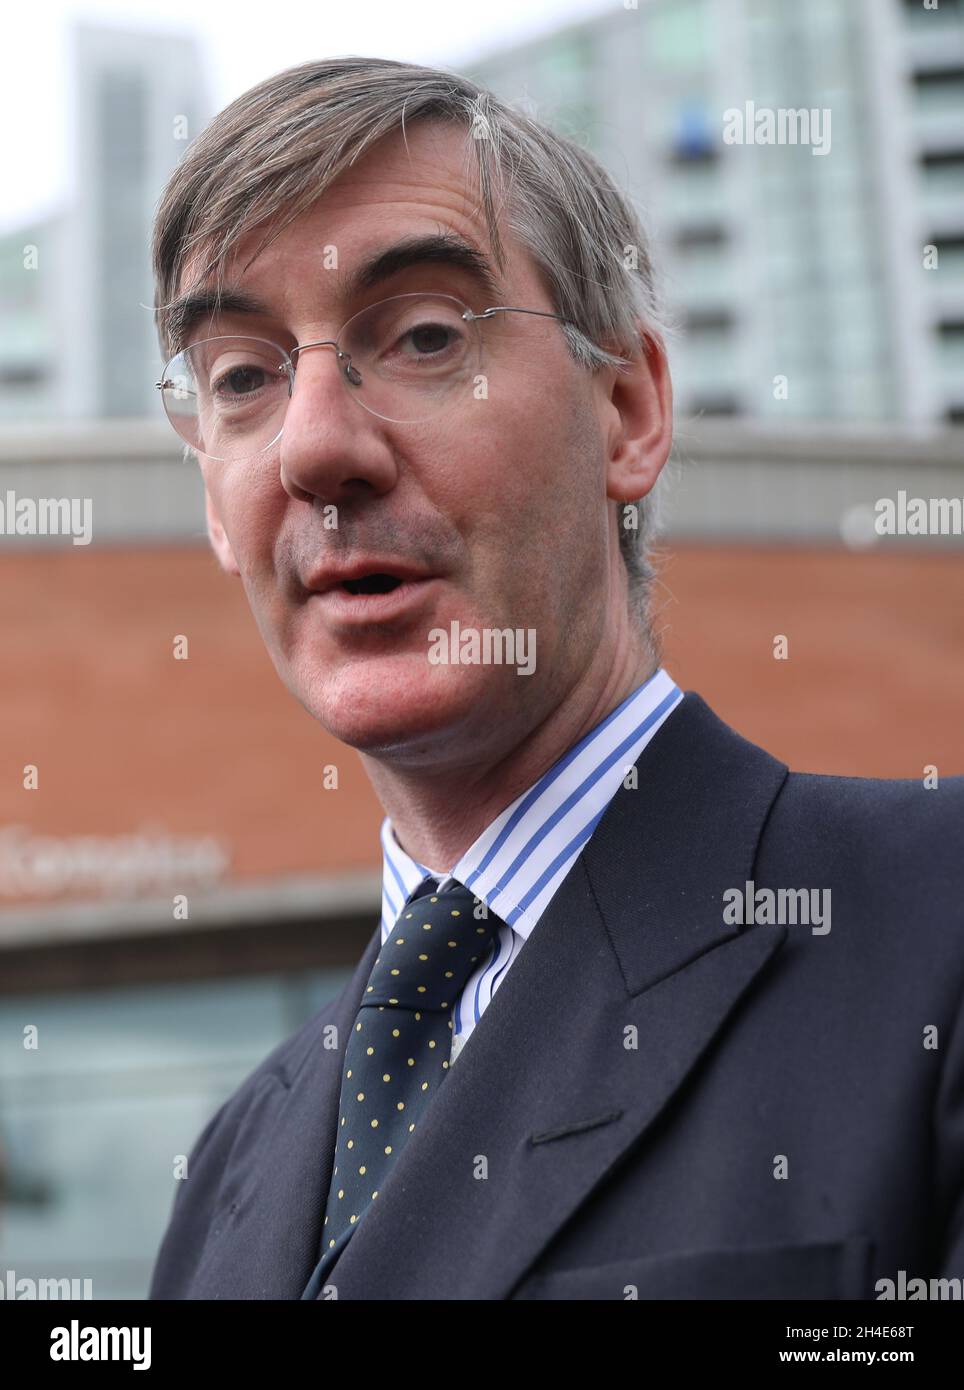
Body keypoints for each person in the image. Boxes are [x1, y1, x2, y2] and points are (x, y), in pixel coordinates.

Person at [147, 57, 963, 1301]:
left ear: (628, 412)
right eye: (243, 377)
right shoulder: (226, 1177)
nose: (315, 445)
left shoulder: (933, 932)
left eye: (424, 336)